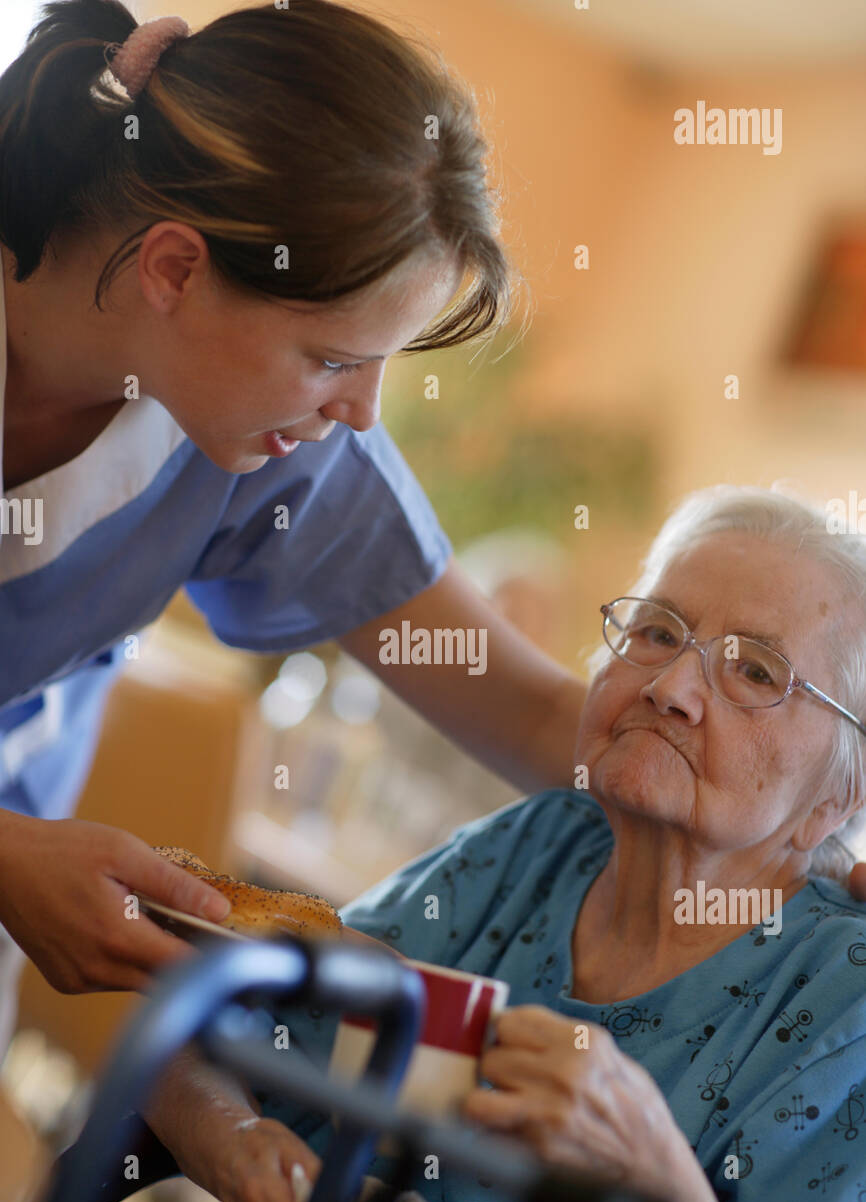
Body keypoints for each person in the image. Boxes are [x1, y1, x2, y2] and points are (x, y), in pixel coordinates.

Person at [0, 0, 594, 1049]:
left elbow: (536, 716)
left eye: (381, 365)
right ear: (175, 269)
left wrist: (801, 829)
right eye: (330, 358)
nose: (361, 412)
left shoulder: (278, 446)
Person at [138, 485, 866, 1202]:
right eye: (657, 632)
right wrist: (237, 1148)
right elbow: (198, 1026)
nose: (671, 688)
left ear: (837, 799)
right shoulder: (534, 849)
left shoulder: (846, 1005)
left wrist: (652, 1185)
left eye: (756, 671)